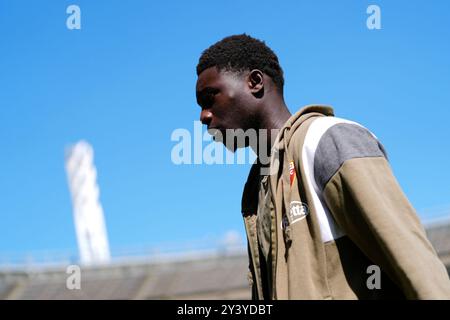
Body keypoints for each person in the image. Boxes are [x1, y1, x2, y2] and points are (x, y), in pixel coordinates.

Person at [195, 34, 450, 299]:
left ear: (255, 82)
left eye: (210, 98)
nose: (204, 116)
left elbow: (418, 267)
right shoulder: (256, 189)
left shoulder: (327, 141)